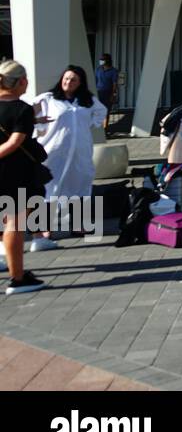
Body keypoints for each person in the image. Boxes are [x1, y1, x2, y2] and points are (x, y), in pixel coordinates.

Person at [31, 66, 106, 251]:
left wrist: (91, 123)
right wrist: (38, 129)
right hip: (54, 152)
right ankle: (45, 228)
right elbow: (31, 113)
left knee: (81, 185)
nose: (68, 82)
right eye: (66, 78)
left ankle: (80, 224)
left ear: (80, 82)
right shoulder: (48, 99)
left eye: (73, 79)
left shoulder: (88, 101)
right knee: (49, 189)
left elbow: (101, 112)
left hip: (80, 152)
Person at [0, 61, 45, 294]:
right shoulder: (22, 109)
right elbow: (15, 142)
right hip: (15, 172)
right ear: (20, 81)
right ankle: (17, 278)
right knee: (15, 224)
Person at [94, 54, 119, 131]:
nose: (101, 61)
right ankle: (98, 128)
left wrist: (113, 95)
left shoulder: (113, 71)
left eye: (102, 59)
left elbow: (114, 84)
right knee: (97, 111)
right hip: (98, 92)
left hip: (108, 93)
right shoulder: (98, 69)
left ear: (107, 60)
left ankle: (105, 129)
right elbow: (95, 81)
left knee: (106, 111)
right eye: (100, 59)